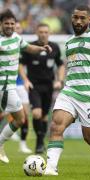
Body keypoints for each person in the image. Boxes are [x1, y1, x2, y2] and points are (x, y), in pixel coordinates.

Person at [44, 5, 90, 176]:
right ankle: (51, 167)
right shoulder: (70, 42)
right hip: (70, 91)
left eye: (82, 18)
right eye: (75, 17)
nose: (78, 21)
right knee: (56, 126)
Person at [0, 9, 52, 163]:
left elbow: (28, 48)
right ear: (0, 24)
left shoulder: (16, 38)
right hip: (4, 87)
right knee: (19, 118)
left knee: (19, 118)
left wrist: (41, 48)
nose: (9, 26)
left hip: (10, 87)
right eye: (6, 23)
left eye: (12, 23)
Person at [19, 23, 65, 154]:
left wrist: (60, 81)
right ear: (36, 32)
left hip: (49, 86)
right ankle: (39, 143)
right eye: (41, 32)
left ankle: (40, 142)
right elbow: (21, 65)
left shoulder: (55, 47)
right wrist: (25, 80)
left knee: (44, 116)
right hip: (34, 86)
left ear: (49, 33)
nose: (43, 34)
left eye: (46, 32)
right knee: (36, 113)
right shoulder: (30, 47)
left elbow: (61, 65)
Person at [15, 21, 32, 153]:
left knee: (25, 114)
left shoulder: (24, 47)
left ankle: (23, 144)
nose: (16, 29)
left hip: (20, 84)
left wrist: (26, 80)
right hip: (4, 84)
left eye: (18, 27)